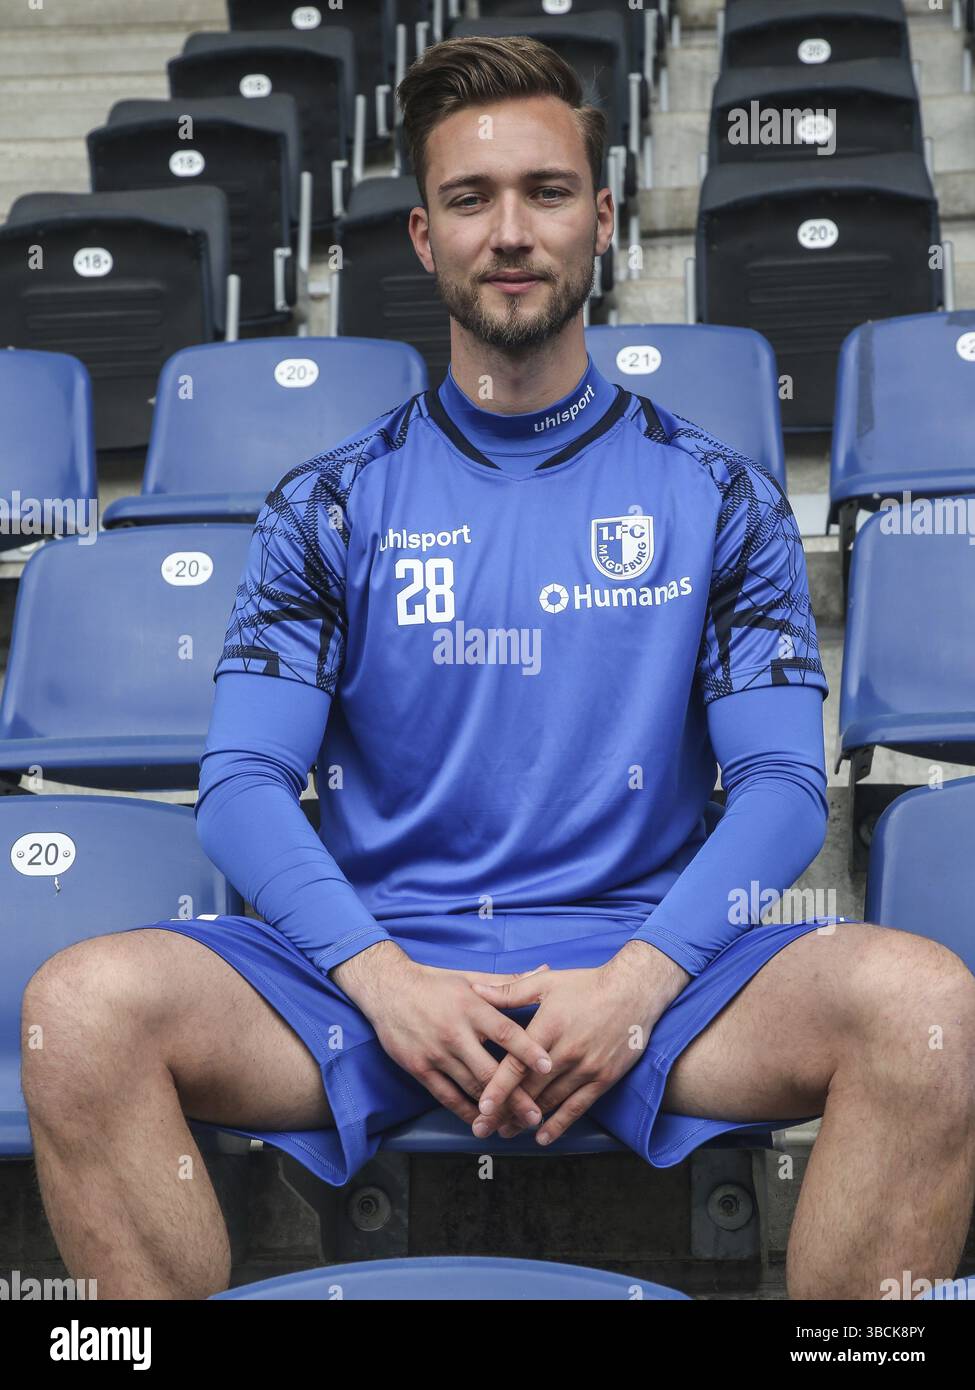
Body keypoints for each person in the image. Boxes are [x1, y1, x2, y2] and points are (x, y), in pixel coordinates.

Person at [21, 35, 975, 1301]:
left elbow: (784, 790)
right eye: (471, 199)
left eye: (546, 191)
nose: (510, 231)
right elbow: (245, 780)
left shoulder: (718, 495)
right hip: (375, 976)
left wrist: (638, 980)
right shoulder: (331, 503)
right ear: (423, 237)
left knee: (925, 1008)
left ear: (604, 217)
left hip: (651, 965)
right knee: (77, 1009)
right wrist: (385, 980)